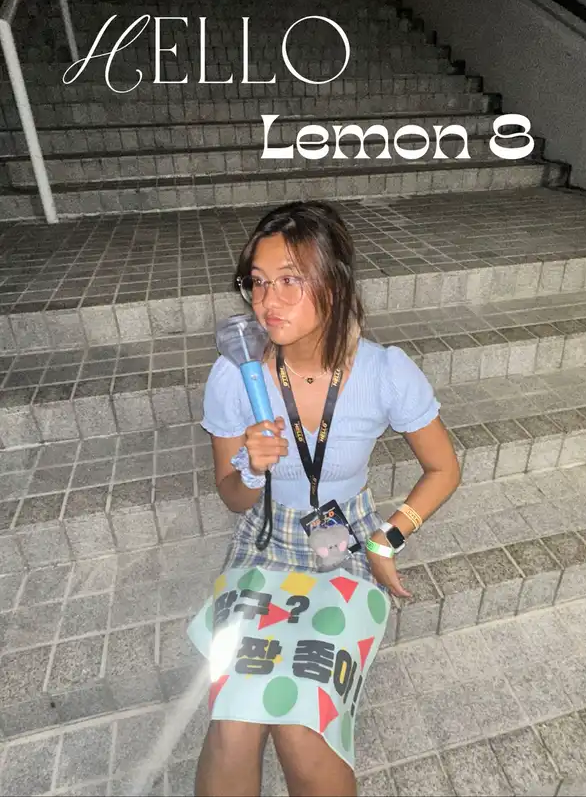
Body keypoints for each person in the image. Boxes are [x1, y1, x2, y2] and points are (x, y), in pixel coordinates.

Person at [190, 200, 461, 797]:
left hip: (341, 537)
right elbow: (232, 498)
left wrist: (386, 539)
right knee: (233, 724)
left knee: (301, 728)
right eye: (258, 282)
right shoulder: (235, 374)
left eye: (290, 280)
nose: (268, 301)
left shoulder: (385, 372)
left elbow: (444, 468)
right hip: (264, 539)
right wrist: (251, 471)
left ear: (333, 286)